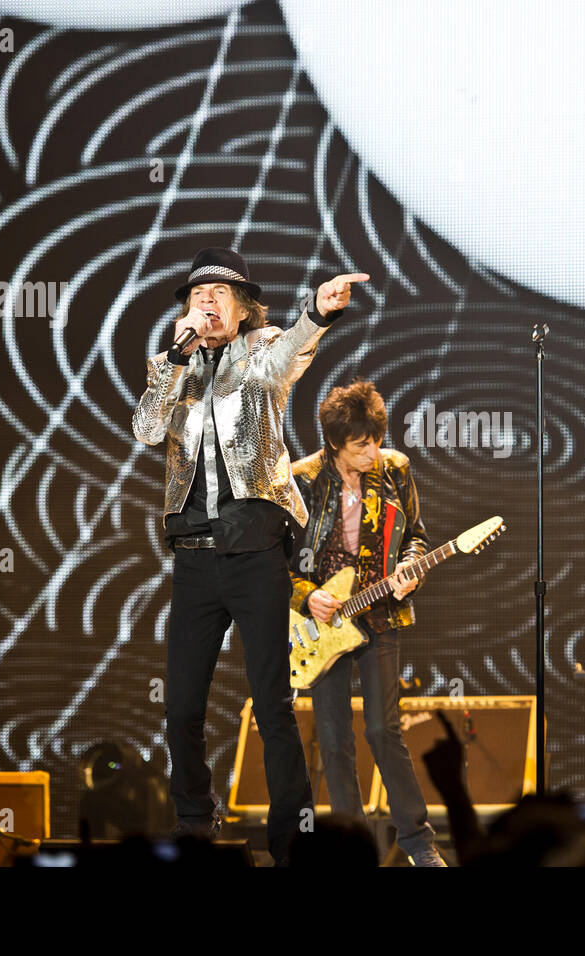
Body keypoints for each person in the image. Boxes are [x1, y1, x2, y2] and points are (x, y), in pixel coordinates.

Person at [132, 246, 368, 864]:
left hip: (256, 551)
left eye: (218, 293)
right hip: (197, 559)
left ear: (241, 311)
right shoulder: (170, 365)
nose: (205, 300)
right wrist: (177, 361)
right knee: (181, 705)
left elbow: (290, 356)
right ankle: (193, 823)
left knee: (272, 702)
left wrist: (316, 314)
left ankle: (290, 838)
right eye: (196, 293)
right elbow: (148, 430)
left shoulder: (258, 350)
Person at [288, 380, 446, 866]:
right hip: (324, 627)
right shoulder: (304, 477)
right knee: (334, 742)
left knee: (383, 731)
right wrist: (307, 594)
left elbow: (417, 536)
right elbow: (278, 560)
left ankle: (419, 846)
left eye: (377, 439)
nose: (373, 451)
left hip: (380, 616)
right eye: (361, 445)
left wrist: (409, 572)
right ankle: (350, 853)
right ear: (335, 443)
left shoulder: (395, 469)